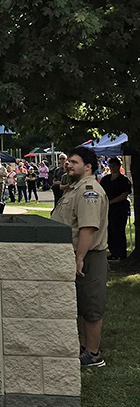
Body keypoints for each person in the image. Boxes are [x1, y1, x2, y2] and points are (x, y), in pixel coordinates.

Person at [51, 147, 108, 368]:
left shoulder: (89, 190)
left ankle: (93, 354)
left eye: (74, 162)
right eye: (69, 161)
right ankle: (85, 348)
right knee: (83, 304)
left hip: (89, 255)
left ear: (88, 166)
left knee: (92, 305)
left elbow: (88, 227)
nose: (68, 165)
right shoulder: (75, 188)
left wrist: (80, 257)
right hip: (77, 254)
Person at [99, 157, 131, 260]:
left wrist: (110, 202)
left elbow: (124, 195)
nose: (112, 168)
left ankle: (121, 253)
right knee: (109, 231)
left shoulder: (124, 180)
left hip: (120, 209)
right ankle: (113, 253)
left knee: (119, 231)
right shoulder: (105, 180)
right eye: (111, 166)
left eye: (114, 166)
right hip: (108, 209)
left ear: (119, 166)